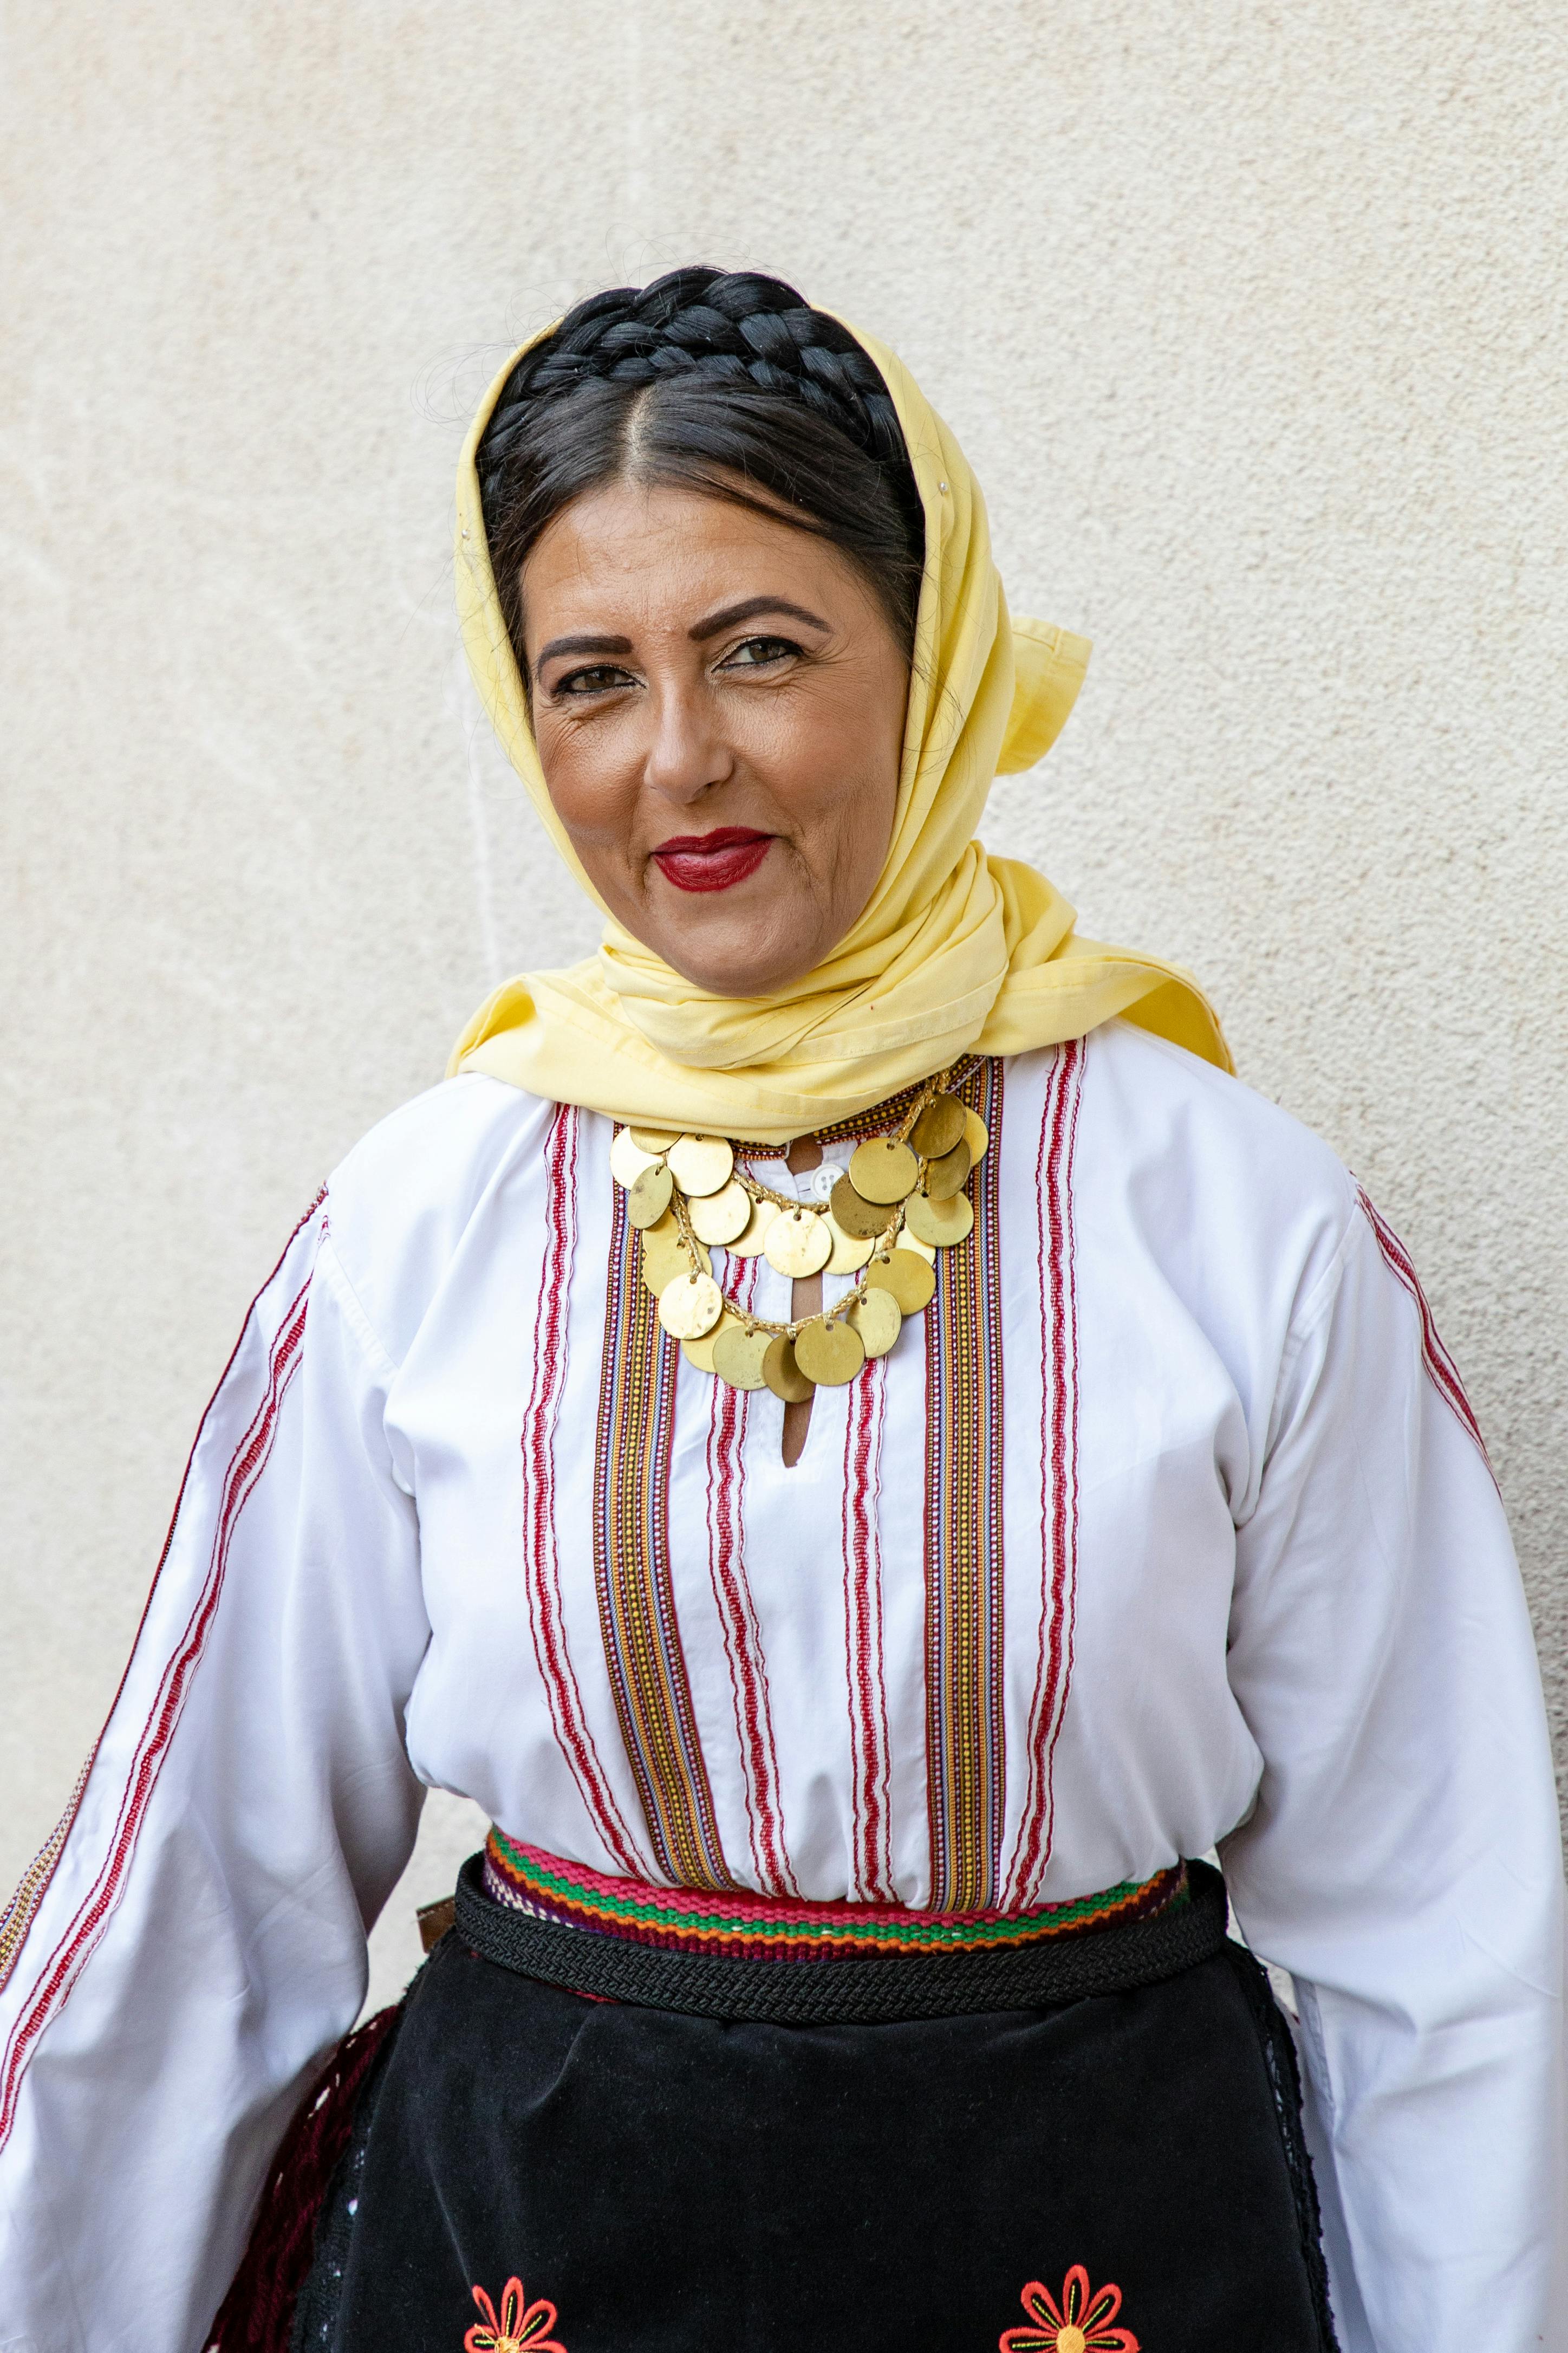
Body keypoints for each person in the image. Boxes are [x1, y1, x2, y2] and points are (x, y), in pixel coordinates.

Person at [0, 267, 1560, 2353]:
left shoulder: (1234, 1215)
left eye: (761, 652)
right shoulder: (427, 1221)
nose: (678, 762)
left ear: (936, 665)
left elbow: (1437, 1940)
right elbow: (201, 1889)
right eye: (589, 679)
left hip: (1104, 2250)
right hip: (531, 2252)